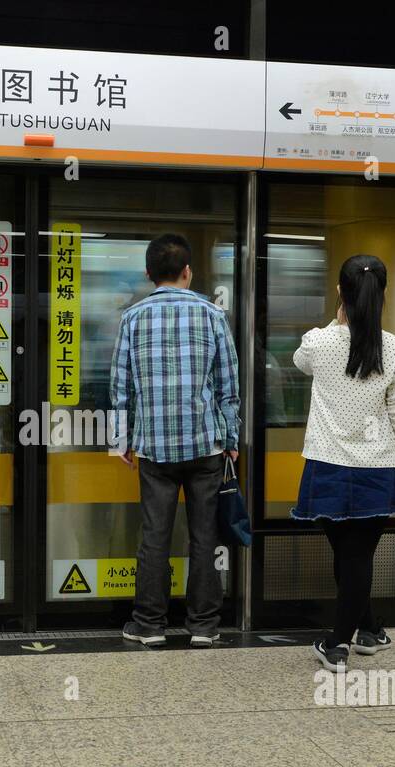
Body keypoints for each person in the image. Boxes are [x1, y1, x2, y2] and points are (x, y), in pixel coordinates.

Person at [291, 255, 395, 672]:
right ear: (383, 295)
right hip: (380, 467)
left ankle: (336, 645)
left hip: (328, 465)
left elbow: (300, 362)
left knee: (349, 555)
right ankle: (368, 631)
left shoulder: (318, 342)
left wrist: (338, 318)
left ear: (340, 293)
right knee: (357, 555)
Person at [110, 233, 240, 648]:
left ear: (149, 274)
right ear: (188, 272)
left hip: (154, 447)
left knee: (154, 534)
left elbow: (121, 387)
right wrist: (231, 436)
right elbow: (228, 385)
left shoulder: (132, 318)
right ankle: (203, 626)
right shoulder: (212, 314)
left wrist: (121, 440)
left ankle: (149, 625)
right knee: (204, 535)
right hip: (205, 446)